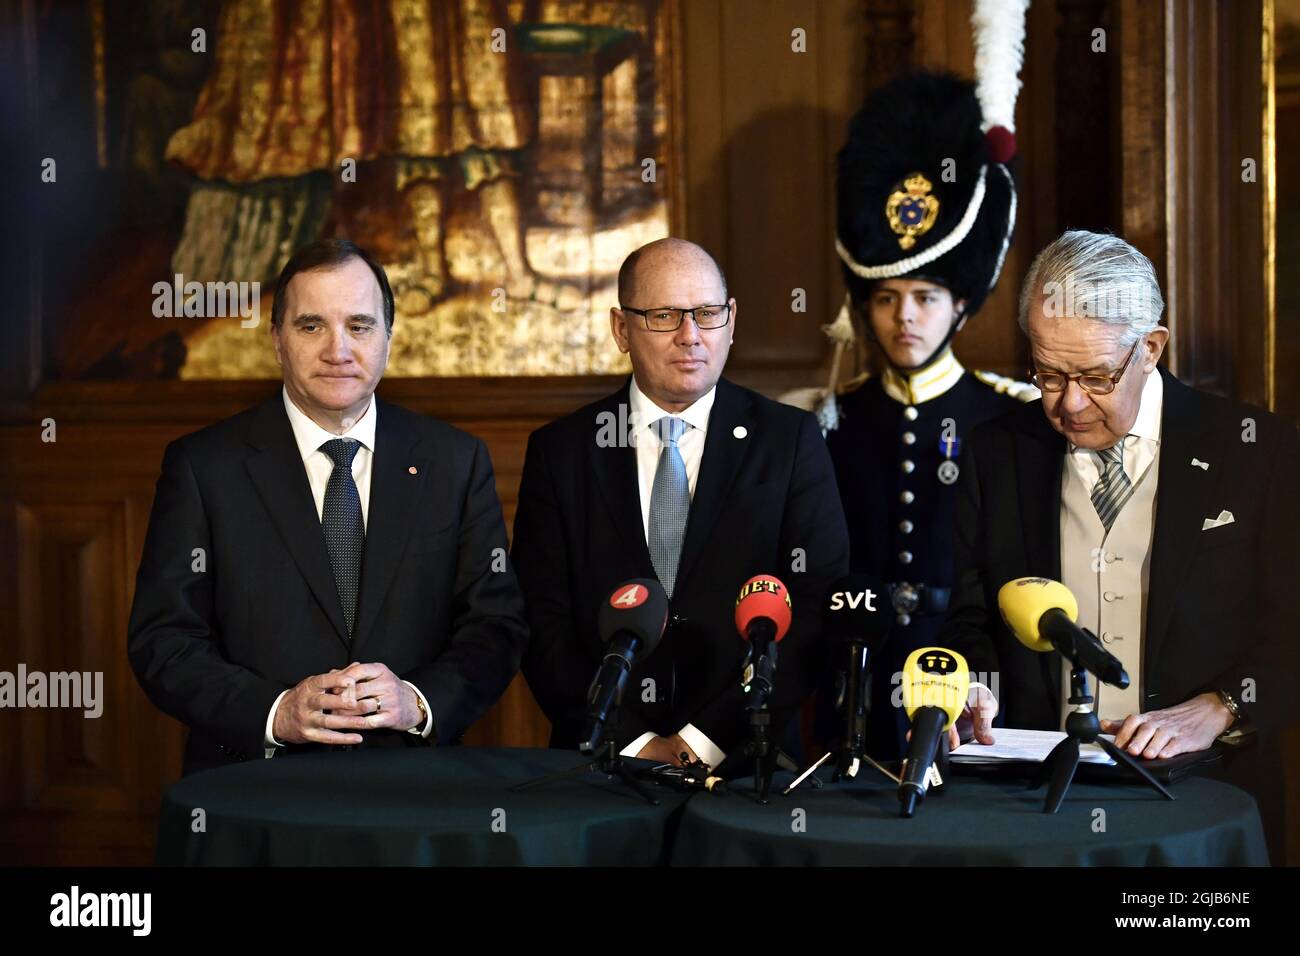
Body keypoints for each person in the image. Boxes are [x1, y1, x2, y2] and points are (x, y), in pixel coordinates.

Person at [942, 229, 1300, 861]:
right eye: (1048, 374)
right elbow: (973, 613)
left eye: (1096, 376)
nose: (1070, 403)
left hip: (1201, 803)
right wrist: (976, 686)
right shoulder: (996, 452)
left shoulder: (1256, 453)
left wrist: (1222, 707)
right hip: (1030, 806)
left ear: (1151, 349)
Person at [128, 238, 528, 774]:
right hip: (252, 785)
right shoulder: (203, 467)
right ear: (276, 339)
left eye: (359, 326)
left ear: (388, 337)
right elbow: (164, 640)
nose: (337, 349)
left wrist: (418, 701)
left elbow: (495, 625)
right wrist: (275, 712)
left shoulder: (455, 461)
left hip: (414, 786)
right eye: (311, 325)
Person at [512, 238, 849, 767]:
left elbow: (814, 606)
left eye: (707, 313)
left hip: (744, 765)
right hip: (600, 764)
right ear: (622, 329)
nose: (690, 336)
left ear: (731, 319)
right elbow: (540, 621)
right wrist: (636, 743)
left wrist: (704, 742)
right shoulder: (562, 452)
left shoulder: (789, 441)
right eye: (665, 315)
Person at [822, 71, 1035, 760]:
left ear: (962, 305)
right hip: (858, 674)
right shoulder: (828, 418)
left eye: (925, 297)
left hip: (973, 675)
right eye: (885, 300)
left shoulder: (1008, 417)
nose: (903, 317)